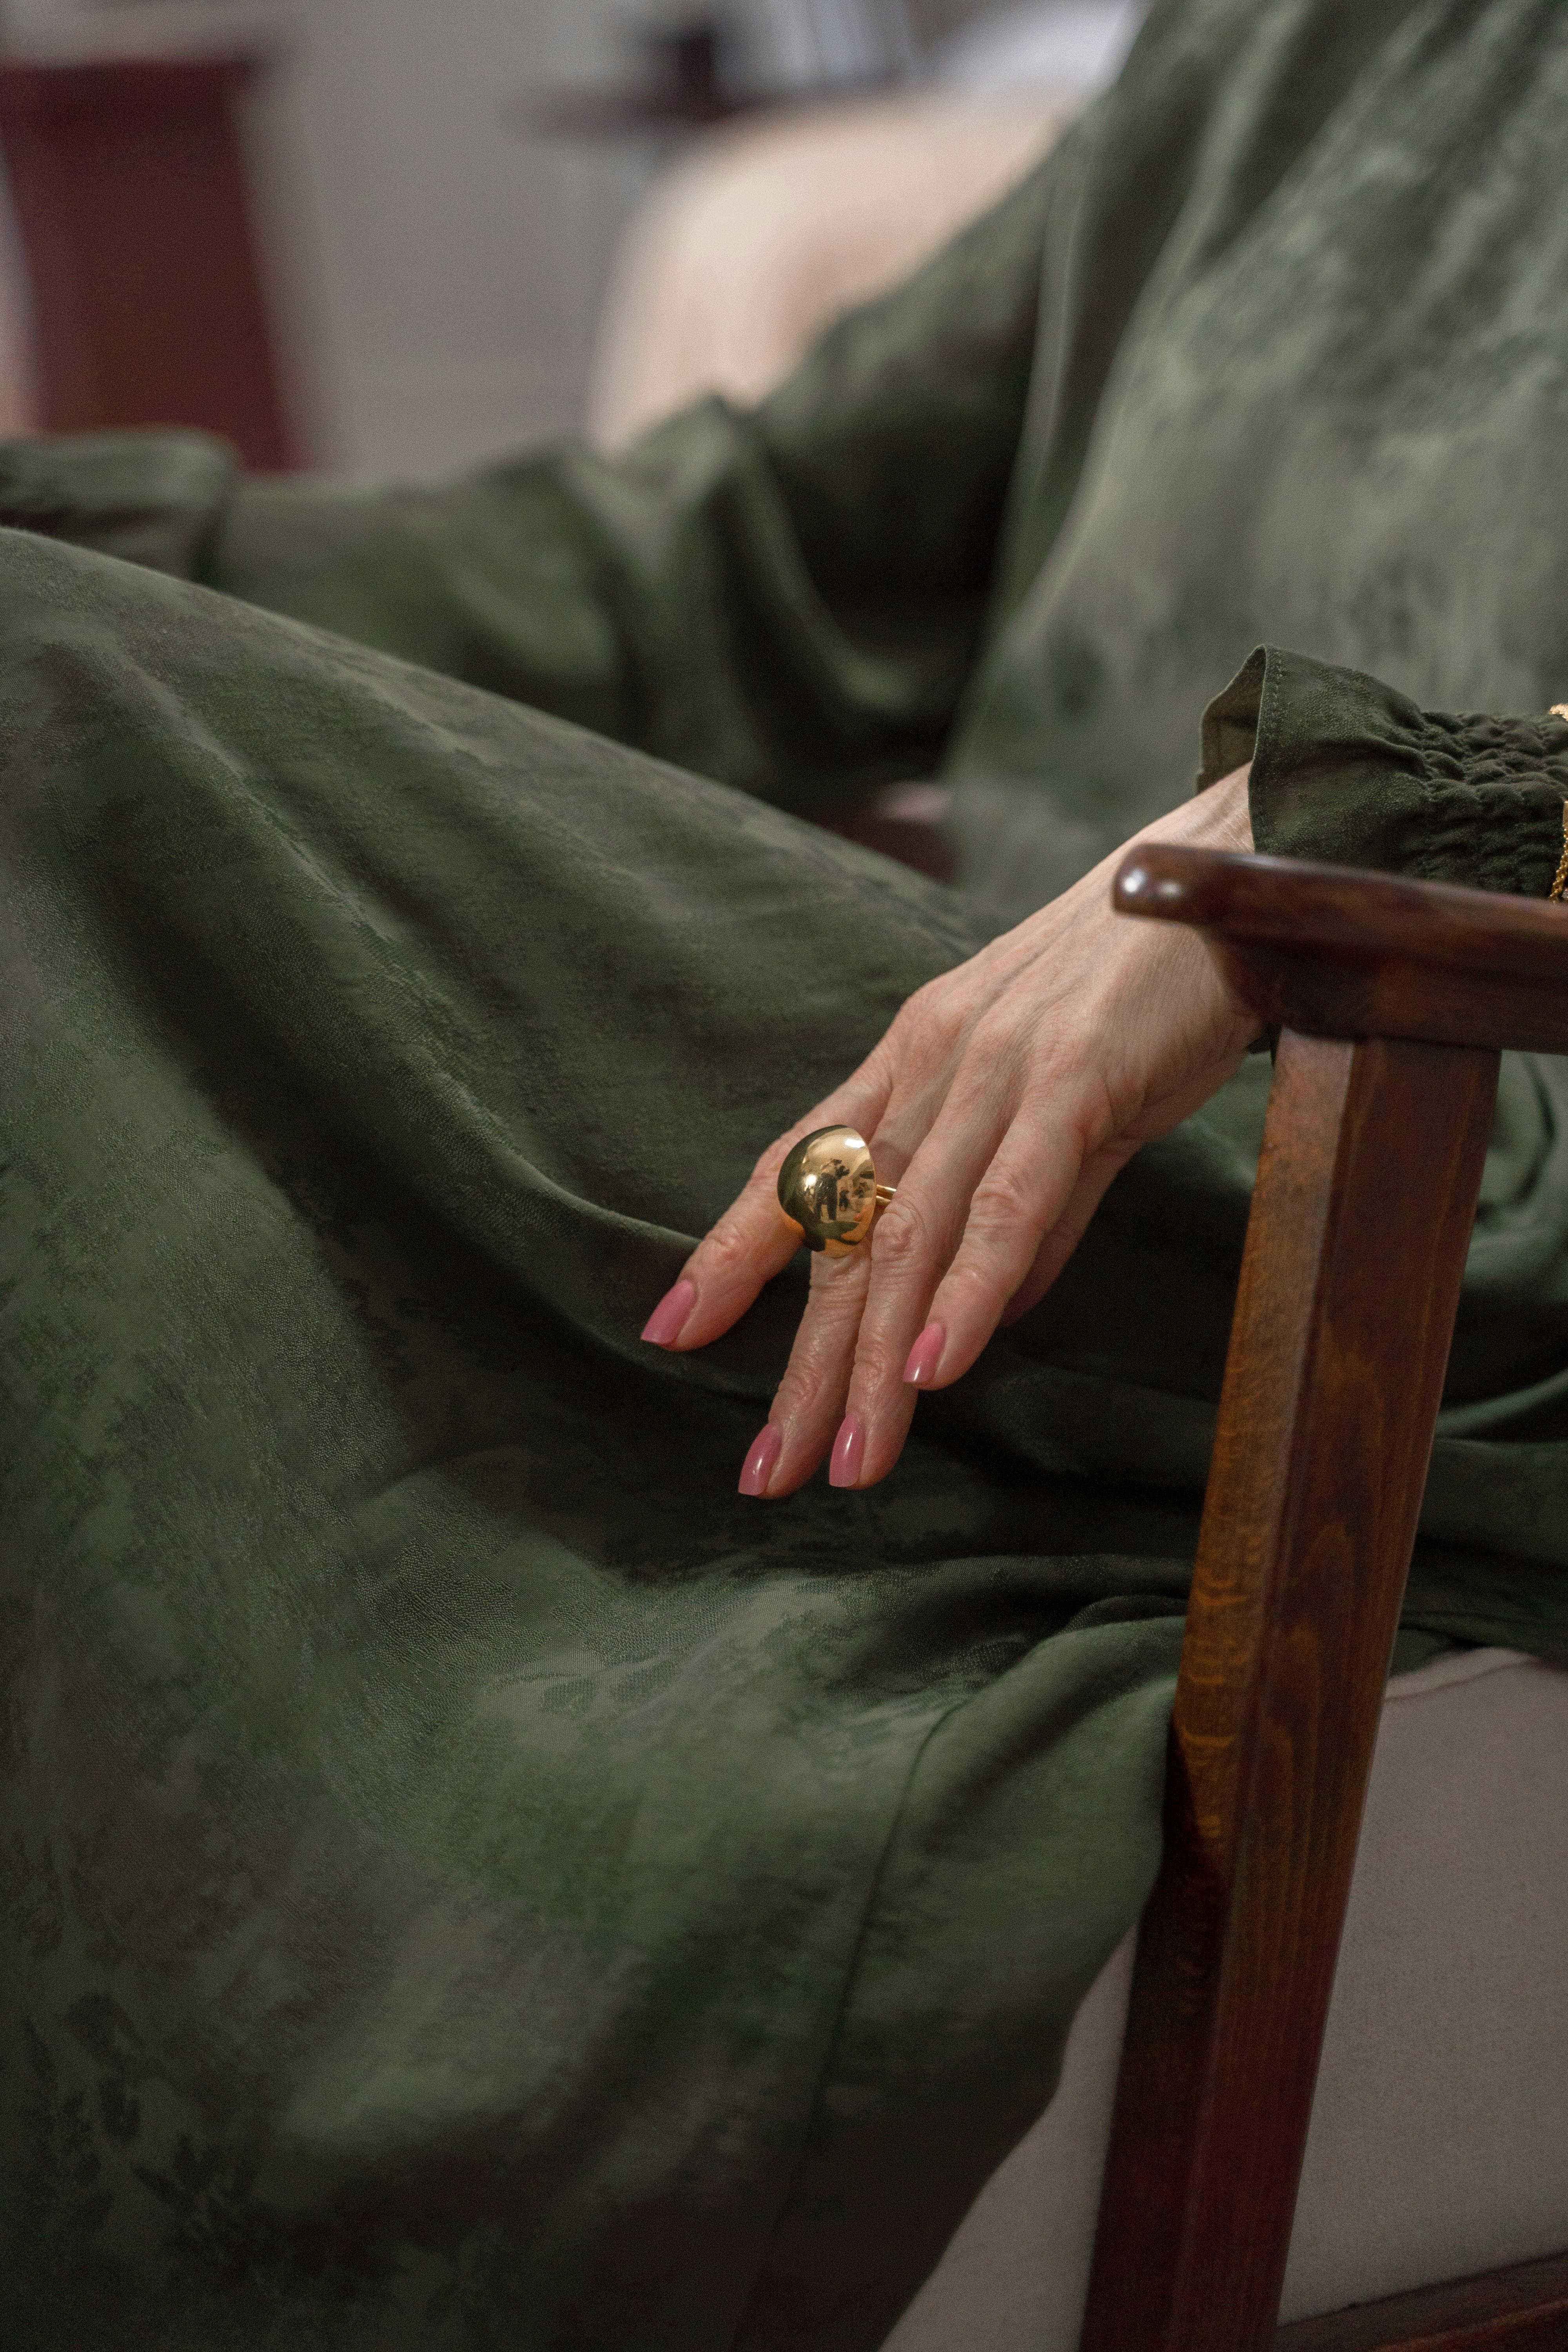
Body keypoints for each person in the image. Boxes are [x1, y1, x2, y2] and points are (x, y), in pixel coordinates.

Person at [4, 2, 1568, 2347]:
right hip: (1027, 1149)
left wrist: (1406, 805)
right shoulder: (1322, 36)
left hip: (1451, 1209)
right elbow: (723, 568)